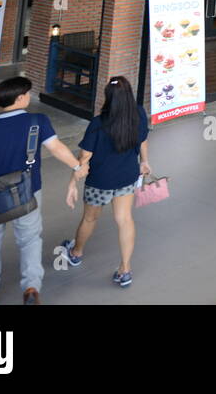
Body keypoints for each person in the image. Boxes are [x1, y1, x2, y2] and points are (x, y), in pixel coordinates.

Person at [0, 76, 87, 305]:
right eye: (26, 93)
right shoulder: (38, 121)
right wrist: (77, 166)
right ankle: (31, 289)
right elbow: (56, 148)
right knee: (30, 240)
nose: (28, 96)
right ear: (19, 98)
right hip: (28, 193)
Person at [59, 76, 150, 289]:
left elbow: (84, 159)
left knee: (90, 219)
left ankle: (76, 253)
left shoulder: (98, 123)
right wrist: (144, 161)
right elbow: (143, 139)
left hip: (100, 181)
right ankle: (125, 270)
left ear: (108, 97)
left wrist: (72, 182)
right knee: (124, 219)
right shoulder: (138, 113)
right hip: (127, 176)